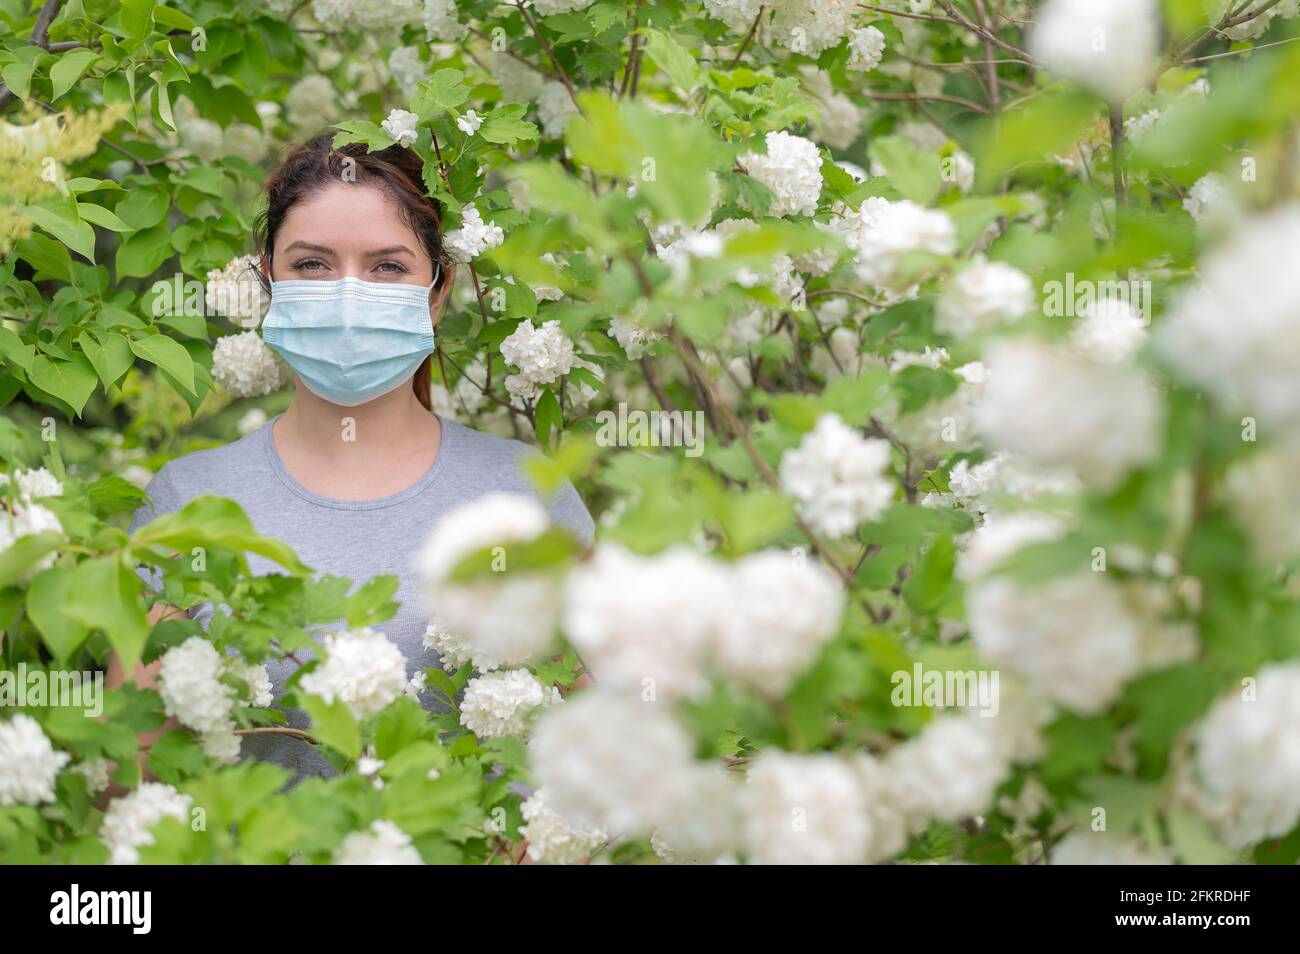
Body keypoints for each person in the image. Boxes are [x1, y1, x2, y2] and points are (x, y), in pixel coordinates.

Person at [114, 134, 594, 783]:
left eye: (387, 267)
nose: (347, 292)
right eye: (312, 264)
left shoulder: (528, 493)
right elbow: (131, 776)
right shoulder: (189, 502)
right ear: (268, 278)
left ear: (438, 289)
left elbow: (599, 755)